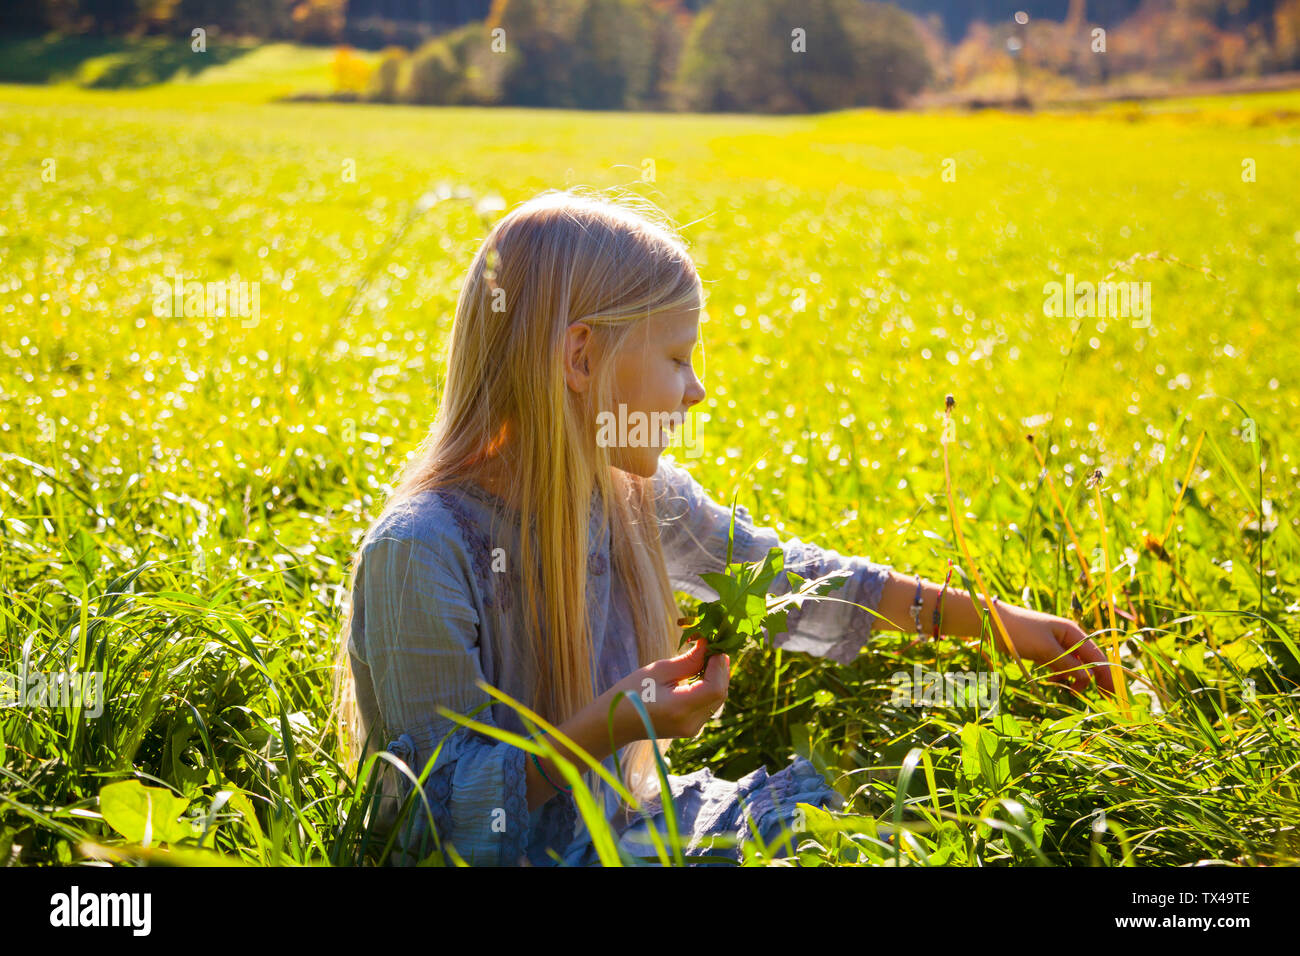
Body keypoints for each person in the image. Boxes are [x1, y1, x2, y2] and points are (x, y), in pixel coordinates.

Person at [332, 188, 1116, 866]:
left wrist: (992, 624)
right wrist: (607, 727)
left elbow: (790, 581)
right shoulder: (423, 549)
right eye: (677, 357)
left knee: (888, 802)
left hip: (634, 828)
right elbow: (424, 827)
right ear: (580, 357)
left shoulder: (628, 494)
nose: (697, 391)